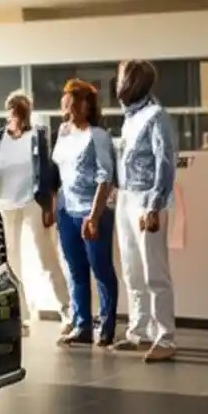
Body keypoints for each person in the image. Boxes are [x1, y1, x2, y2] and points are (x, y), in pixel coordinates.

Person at [0, 91, 71, 336]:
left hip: (32, 202)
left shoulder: (38, 137)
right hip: (5, 205)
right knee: (11, 262)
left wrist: (49, 206)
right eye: (14, 111)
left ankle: (69, 310)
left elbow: (50, 173)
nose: (18, 116)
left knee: (45, 256)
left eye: (23, 111)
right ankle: (21, 316)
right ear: (8, 112)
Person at [111, 60, 178, 363]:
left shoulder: (156, 116)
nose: (117, 81)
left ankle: (165, 337)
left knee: (154, 272)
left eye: (122, 76)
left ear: (134, 81)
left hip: (145, 199)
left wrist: (154, 204)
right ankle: (138, 331)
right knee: (131, 269)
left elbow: (164, 161)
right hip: (125, 198)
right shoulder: (129, 118)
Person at [52, 79, 119, 348]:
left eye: (74, 99)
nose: (68, 104)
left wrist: (93, 215)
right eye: (66, 98)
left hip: (93, 212)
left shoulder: (98, 136)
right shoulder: (63, 132)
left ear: (86, 105)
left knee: (100, 269)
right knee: (75, 271)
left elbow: (106, 177)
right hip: (67, 211)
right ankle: (82, 325)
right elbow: (60, 170)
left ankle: (107, 325)